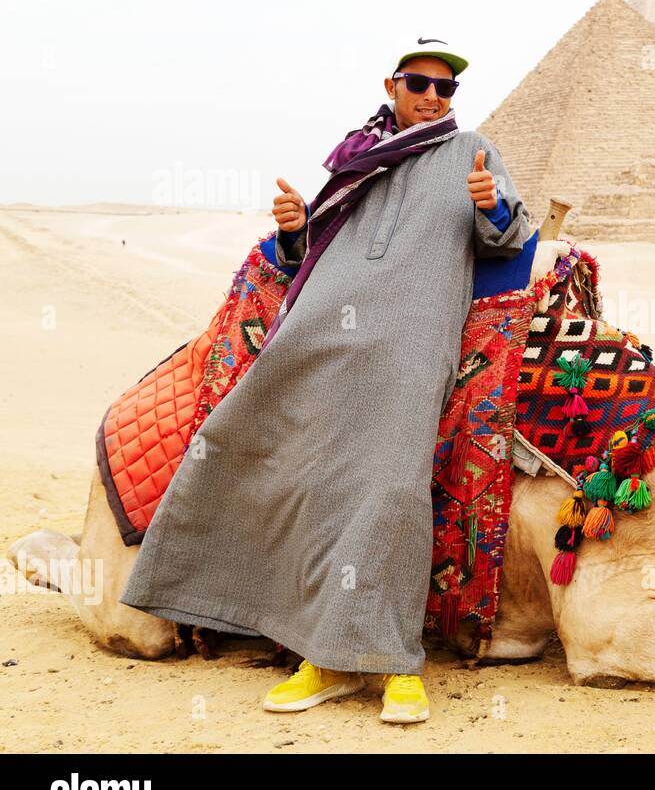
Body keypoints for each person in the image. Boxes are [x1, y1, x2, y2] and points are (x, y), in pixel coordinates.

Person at [120, 38, 532, 724]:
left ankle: (396, 664)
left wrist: (491, 206)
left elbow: (508, 238)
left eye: (446, 89)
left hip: (409, 343)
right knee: (256, 448)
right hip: (319, 333)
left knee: (393, 487)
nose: (434, 97)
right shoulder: (354, 158)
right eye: (420, 84)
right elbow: (308, 251)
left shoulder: (471, 152)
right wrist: (290, 232)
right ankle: (313, 652)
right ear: (392, 86)